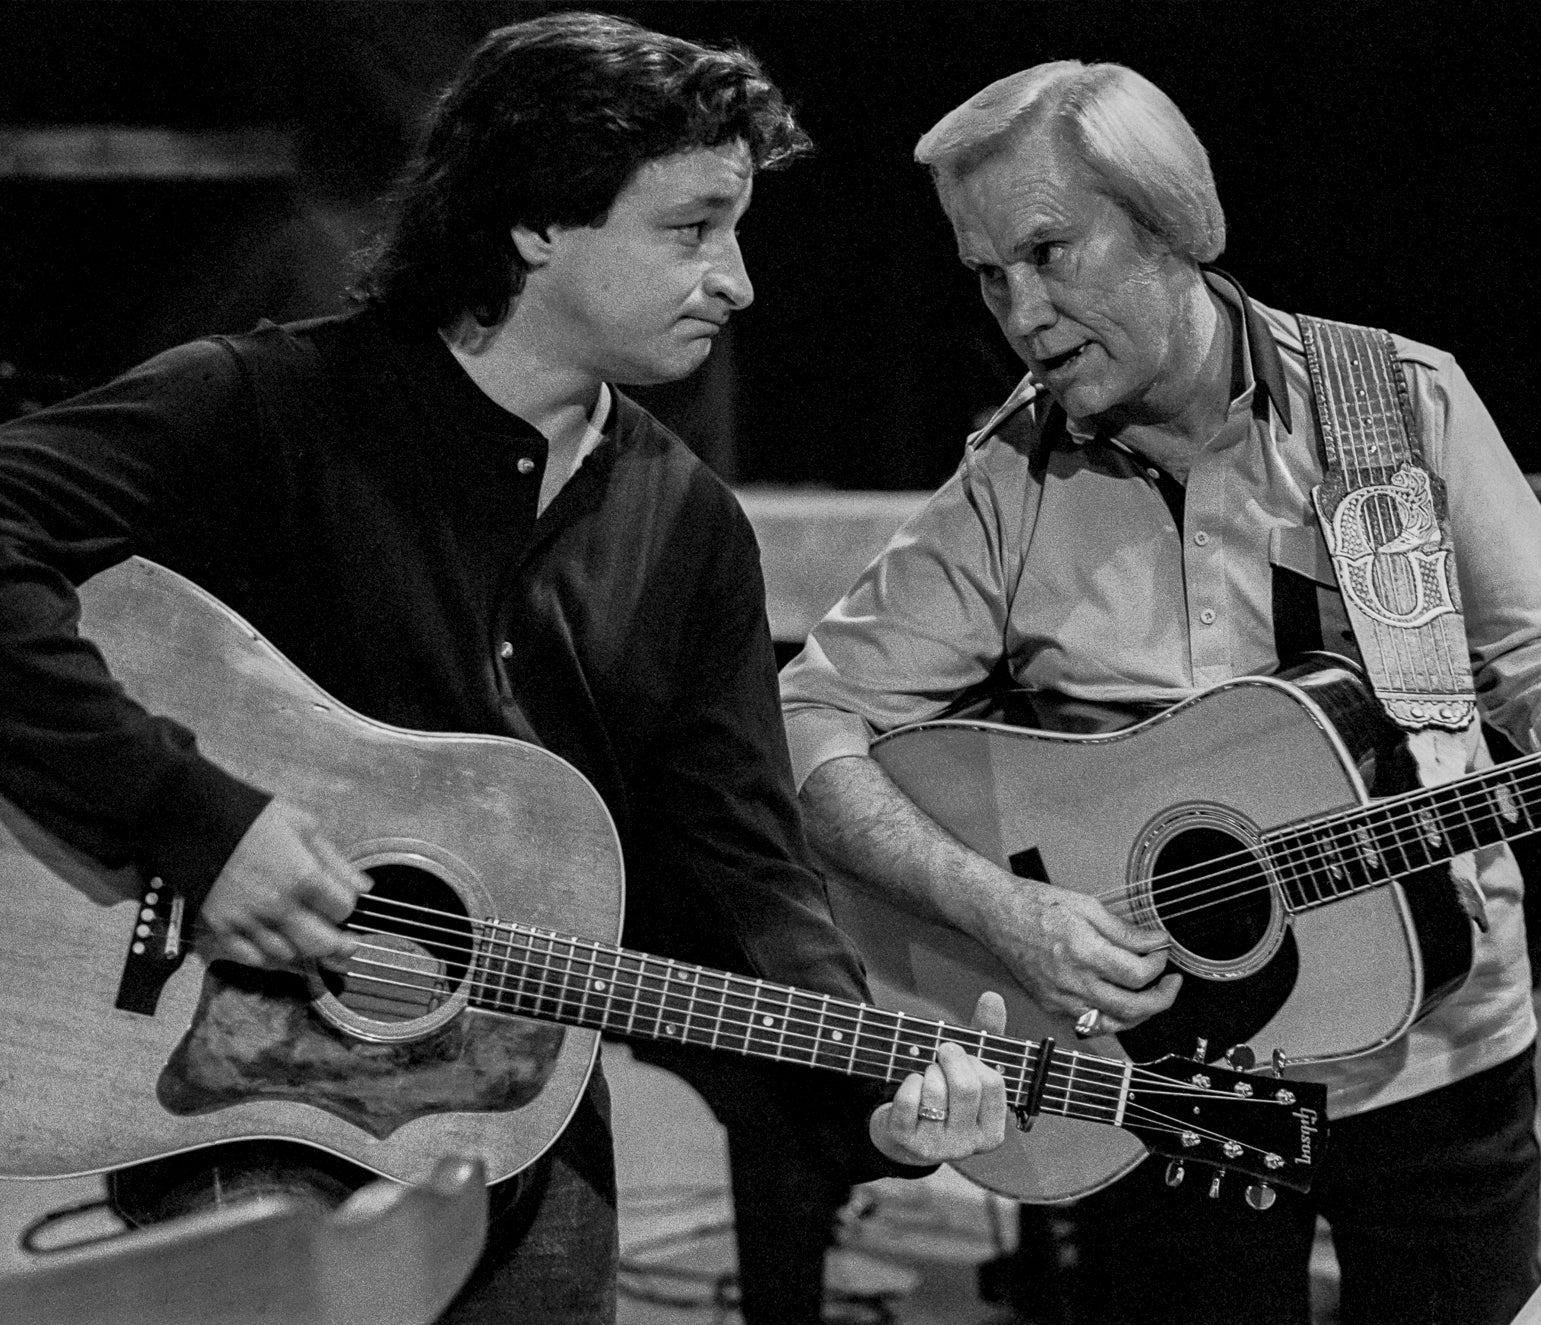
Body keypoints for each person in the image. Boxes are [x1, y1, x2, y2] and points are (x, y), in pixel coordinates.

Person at [0, 13, 1010, 1325]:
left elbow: (748, 883)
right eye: (691, 228)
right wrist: (199, 823)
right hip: (219, 1100)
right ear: (535, 224)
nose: (740, 279)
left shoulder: (687, 527)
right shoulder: (263, 409)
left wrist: (882, 1089)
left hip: (510, 1115)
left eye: (738, 228)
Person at [778, 61, 1541, 1325]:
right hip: (1162, 1076)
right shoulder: (1007, 480)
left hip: (1439, 1052)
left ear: (1174, 224)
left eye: (1047, 252)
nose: (1019, 311)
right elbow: (812, 716)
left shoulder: (1387, 402)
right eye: (986, 273)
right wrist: (1004, 908)